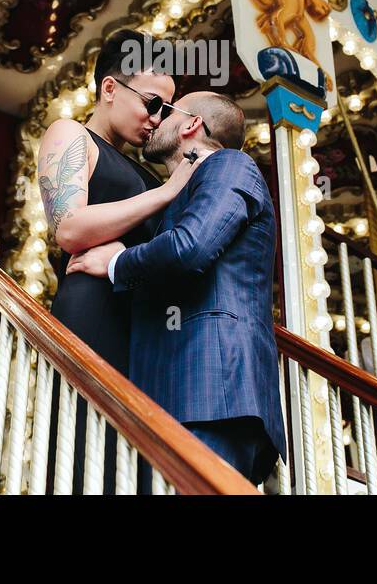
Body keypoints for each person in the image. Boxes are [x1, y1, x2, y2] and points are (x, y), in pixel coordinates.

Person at [67, 91, 285, 486]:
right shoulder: (184, 191)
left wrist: (116, 262)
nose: (154, 121)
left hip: (210, 388)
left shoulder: (230, 165)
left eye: (164, 112)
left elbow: (190, 247)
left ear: (190, 124)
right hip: (170, 393)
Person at [36, 28, 199, 491]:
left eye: (166, 109)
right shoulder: (71, 135)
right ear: (110, 88)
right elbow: (69, 227)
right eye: (152, 102)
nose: (157, 118)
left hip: (145, 325)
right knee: (87, 457)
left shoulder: (146, 170)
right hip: (94, 312)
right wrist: (168, 192)